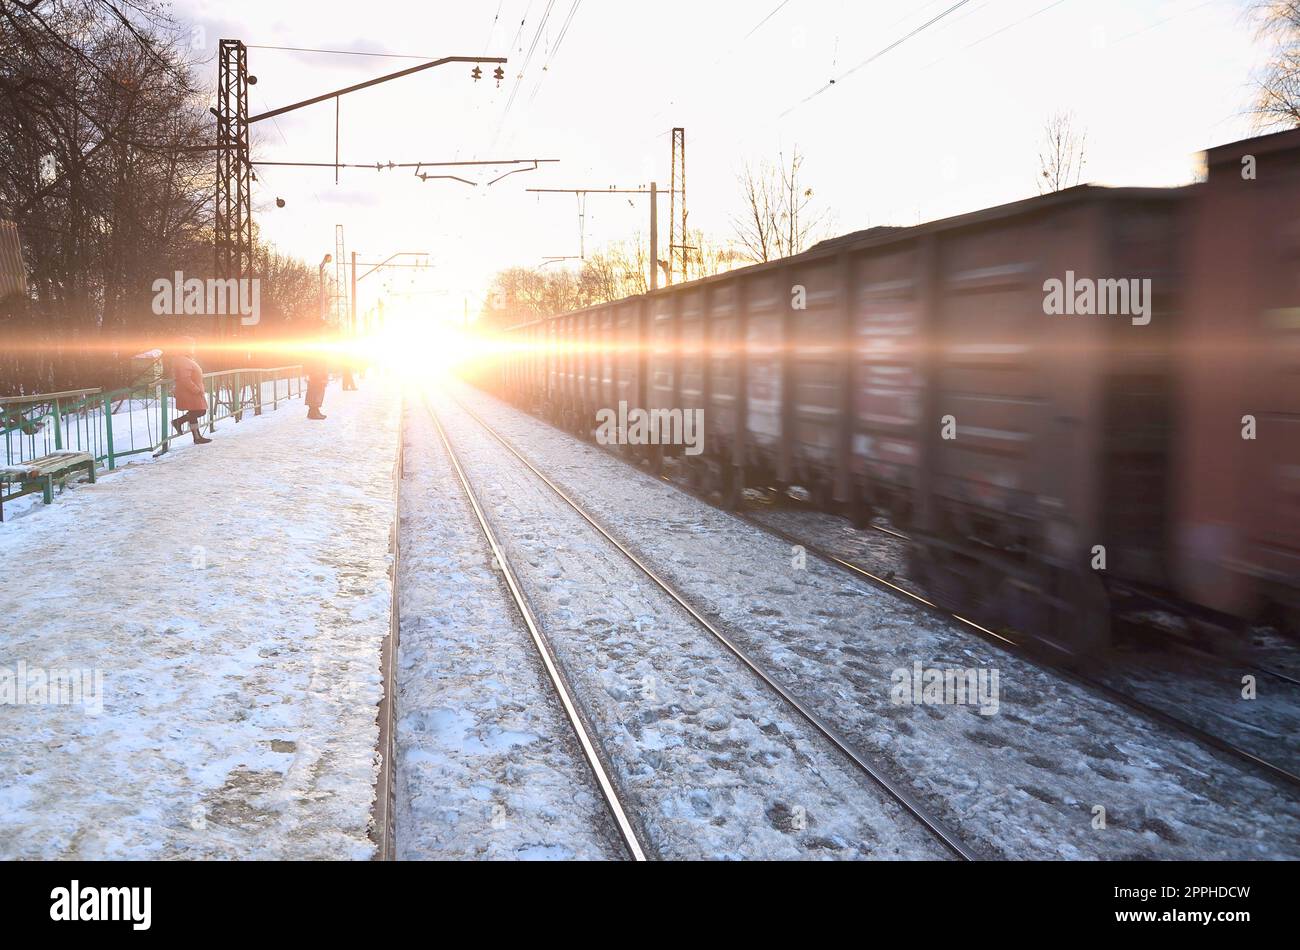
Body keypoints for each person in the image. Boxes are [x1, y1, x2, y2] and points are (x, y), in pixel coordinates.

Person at [170, 336, 212, 445]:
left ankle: (195, 435)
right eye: (191, 345)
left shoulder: (185, 359)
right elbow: (185, 379)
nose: (193, 347)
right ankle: (192, 433)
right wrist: (196, 390)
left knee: (195, 412)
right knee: (198, 411)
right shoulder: (182, 360)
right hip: (190, 392)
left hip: (191, 391)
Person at [305, 319, 329, 420]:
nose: (325, 329)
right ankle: (313, 412)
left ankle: (314, 411)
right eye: (323, 327)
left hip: (318, 368)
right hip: (316, 369)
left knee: (318, 390)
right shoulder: (315, 339)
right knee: (316, 390)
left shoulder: (318, 338)